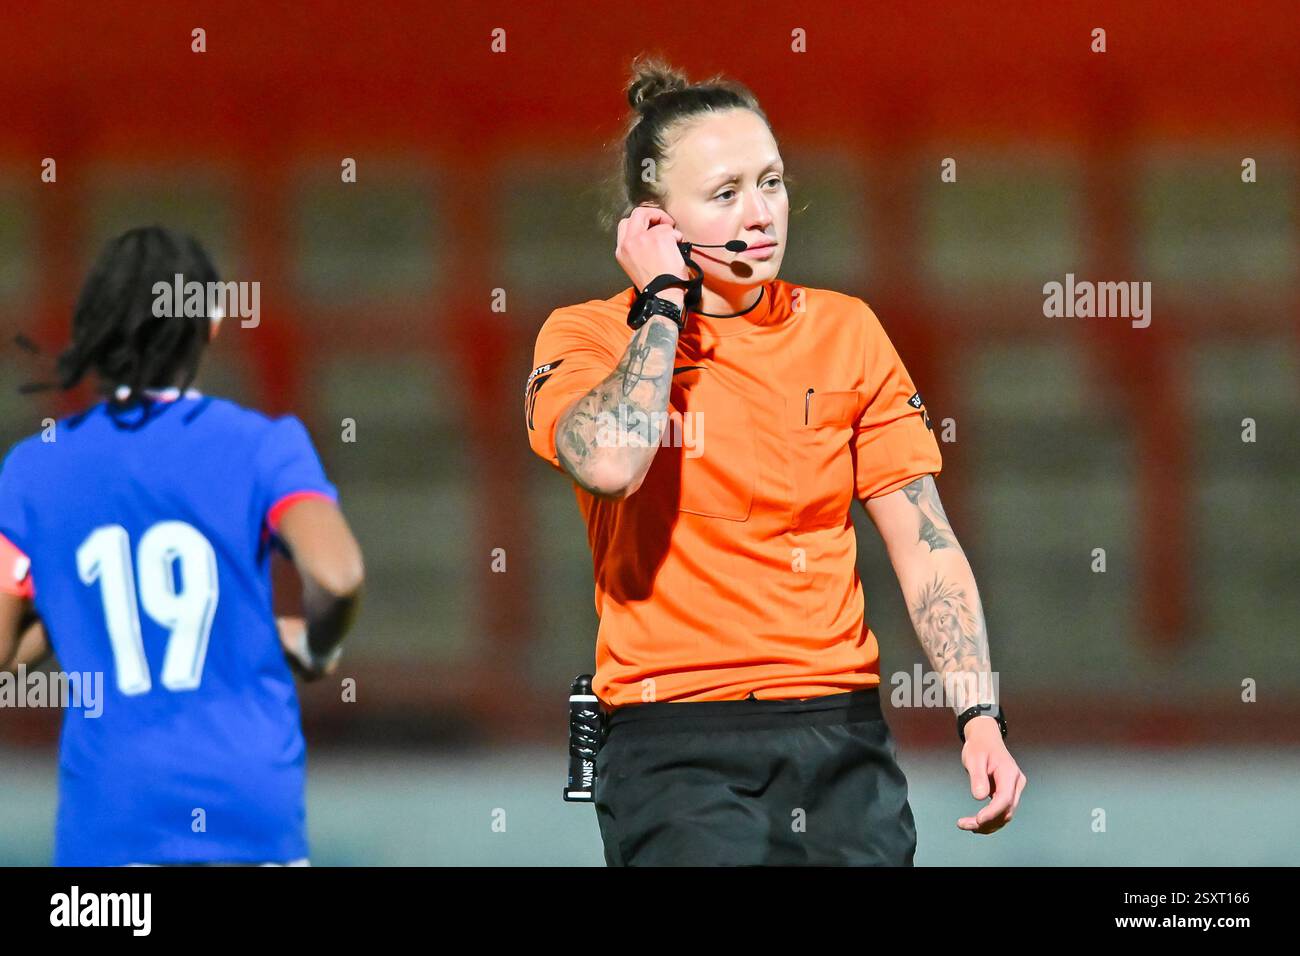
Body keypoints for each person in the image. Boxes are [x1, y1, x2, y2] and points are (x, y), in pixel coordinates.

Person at [525, 56, 1026, 865]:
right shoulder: (587, 337)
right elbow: (611, 463)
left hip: (839, 736)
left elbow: (923, 539)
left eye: (772, 182)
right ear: (653, 220)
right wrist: (661, 304)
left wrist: (979, 717)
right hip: (672, 742)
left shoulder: (848, 331)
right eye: (725, 194)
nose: (760, 214)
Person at [0, 226, 365, 866]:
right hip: (251, 812)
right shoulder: (263, 446)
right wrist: (316, 645)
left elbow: (3, 654)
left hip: (111, 819)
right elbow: (337, 576)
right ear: (212, 325)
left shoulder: (34, 469)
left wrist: (77, 609)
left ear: (95, 330)